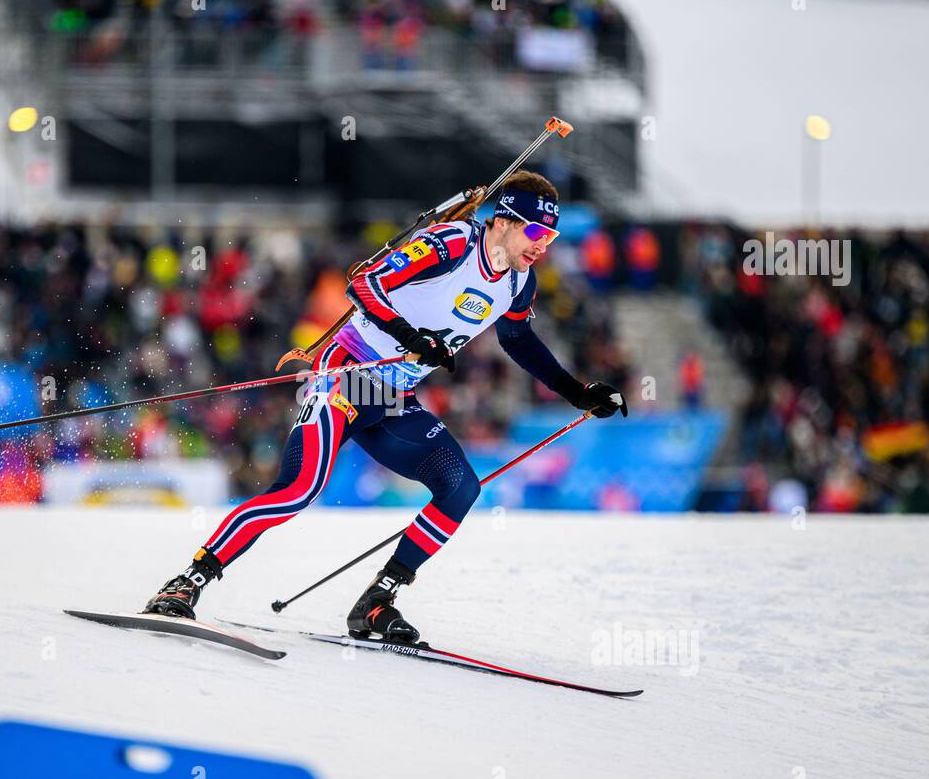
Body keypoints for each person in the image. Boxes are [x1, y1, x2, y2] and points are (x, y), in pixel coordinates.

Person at [144, 171, 628, 643]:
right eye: (537, 232)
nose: (543, 245)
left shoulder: (519, 282)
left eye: (551, 235)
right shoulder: (453, 243)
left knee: (460, 487)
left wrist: (577, 391)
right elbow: (364, 284)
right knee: (297, 490)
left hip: (393, 398)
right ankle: (188, 581)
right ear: (503, 221)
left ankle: (377, 601)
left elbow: (519, 339)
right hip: (350, 376)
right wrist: (410, 338)